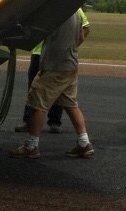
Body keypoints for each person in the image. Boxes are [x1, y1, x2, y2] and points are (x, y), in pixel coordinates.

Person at [11, 10, 94, 159]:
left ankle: (31, 145)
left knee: (38, 103)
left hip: (54, 66)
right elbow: (82, 33)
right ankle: (84, 143)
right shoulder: (75, 10)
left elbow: (32, 32)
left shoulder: (56, 11)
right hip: (70, 63)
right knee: (70, 103)